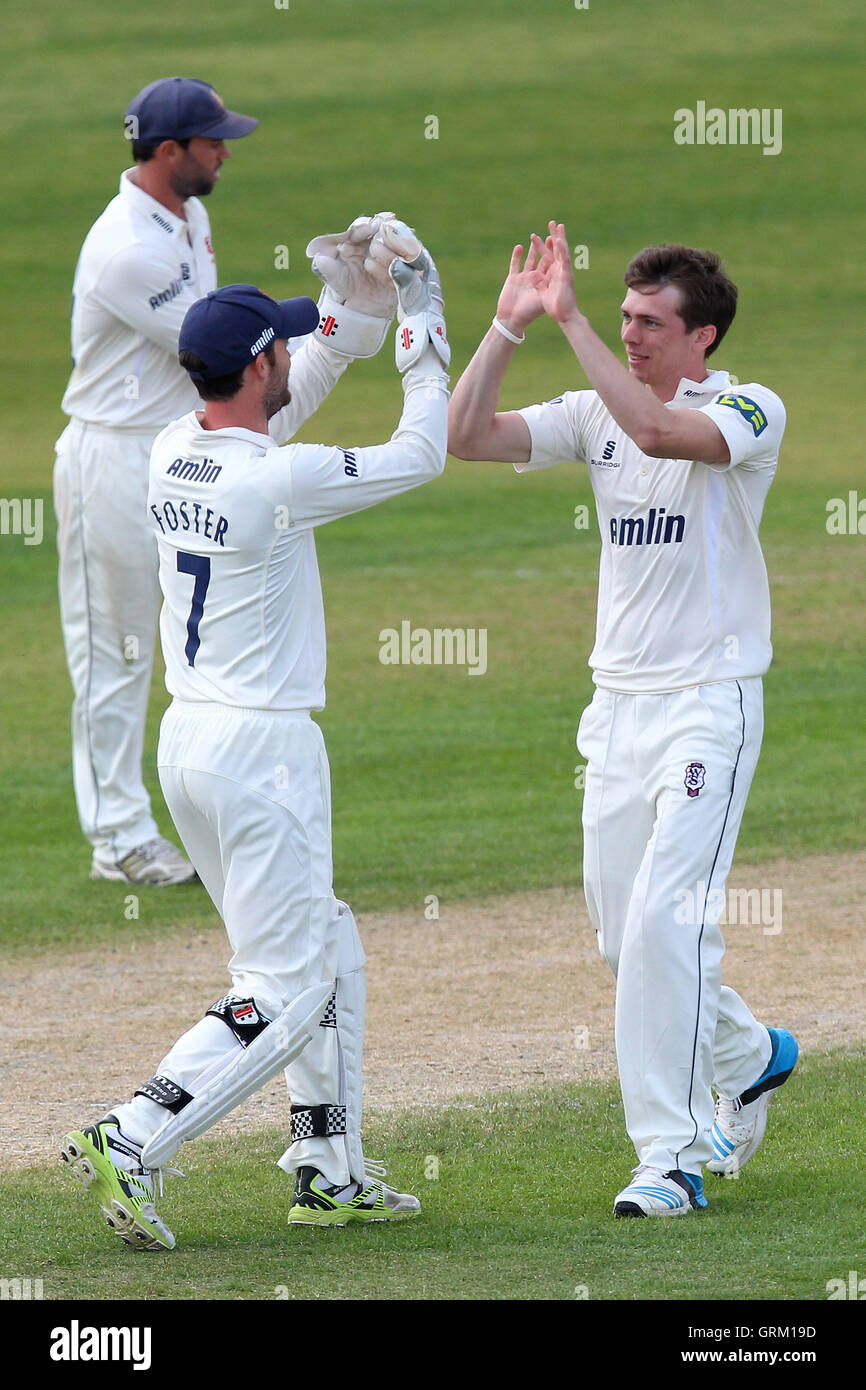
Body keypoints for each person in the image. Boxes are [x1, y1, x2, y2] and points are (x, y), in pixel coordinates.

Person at [61, 232, 450, 1247]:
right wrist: (418, 331)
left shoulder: (170, 446)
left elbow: (298, 375)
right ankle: (135, 1131)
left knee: (328, 942)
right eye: (282, 344)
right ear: (259, 365)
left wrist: (346, 310)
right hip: (262, 753)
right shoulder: (272, 481)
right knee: (283, 987)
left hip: (188, 745)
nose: (291, 354)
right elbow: (421, 453)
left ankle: (327, 1167)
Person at [447, 221, 798, 1217]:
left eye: (650, 323)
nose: (631, 335)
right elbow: (463, 435)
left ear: (703, 340)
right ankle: (749, 1051)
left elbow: (656, 433)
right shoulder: (589, 408)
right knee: (621, 939)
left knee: (661, 925)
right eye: (621, 319)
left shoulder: (745, 408)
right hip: (615, 710)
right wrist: (507, 326)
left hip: (706, 706)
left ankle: (674, 1154)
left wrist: (567, 322)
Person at [54, 77, 259, 885]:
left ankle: (194, 811)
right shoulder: (125, 250)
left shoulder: (189, 214)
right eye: (212, 141)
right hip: (111, 458)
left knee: (193, 634)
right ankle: (118, 838)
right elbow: (212, 340)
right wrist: (324, 310)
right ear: (167, 152)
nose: (225, 151)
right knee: (118, 650)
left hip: (173, 445)